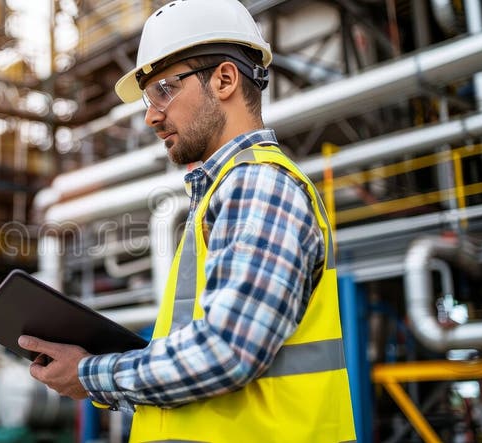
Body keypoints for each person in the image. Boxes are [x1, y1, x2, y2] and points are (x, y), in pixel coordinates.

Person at [18, 0, 356, 441]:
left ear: (225, 79)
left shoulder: (257, 184)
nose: (151, 115)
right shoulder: (224, 192)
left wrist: (90, 373)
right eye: (148, 96)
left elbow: (226, 352)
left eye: (164, 89)